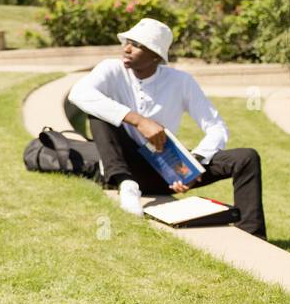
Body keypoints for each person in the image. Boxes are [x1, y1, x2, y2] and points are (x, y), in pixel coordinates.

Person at [69, 17, 266, 237]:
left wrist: (195, 164)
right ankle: (126, 185)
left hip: (169, 172)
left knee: (246, 157)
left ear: (155, 55)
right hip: (126, 164)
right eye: (127, 42)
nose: (127, 48)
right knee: (99, 113)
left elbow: (217, 127)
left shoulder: (181, 81)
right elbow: (78, 94)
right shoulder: (111, 69)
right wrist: (138, 120)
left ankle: (252, 234)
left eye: (136, 45)